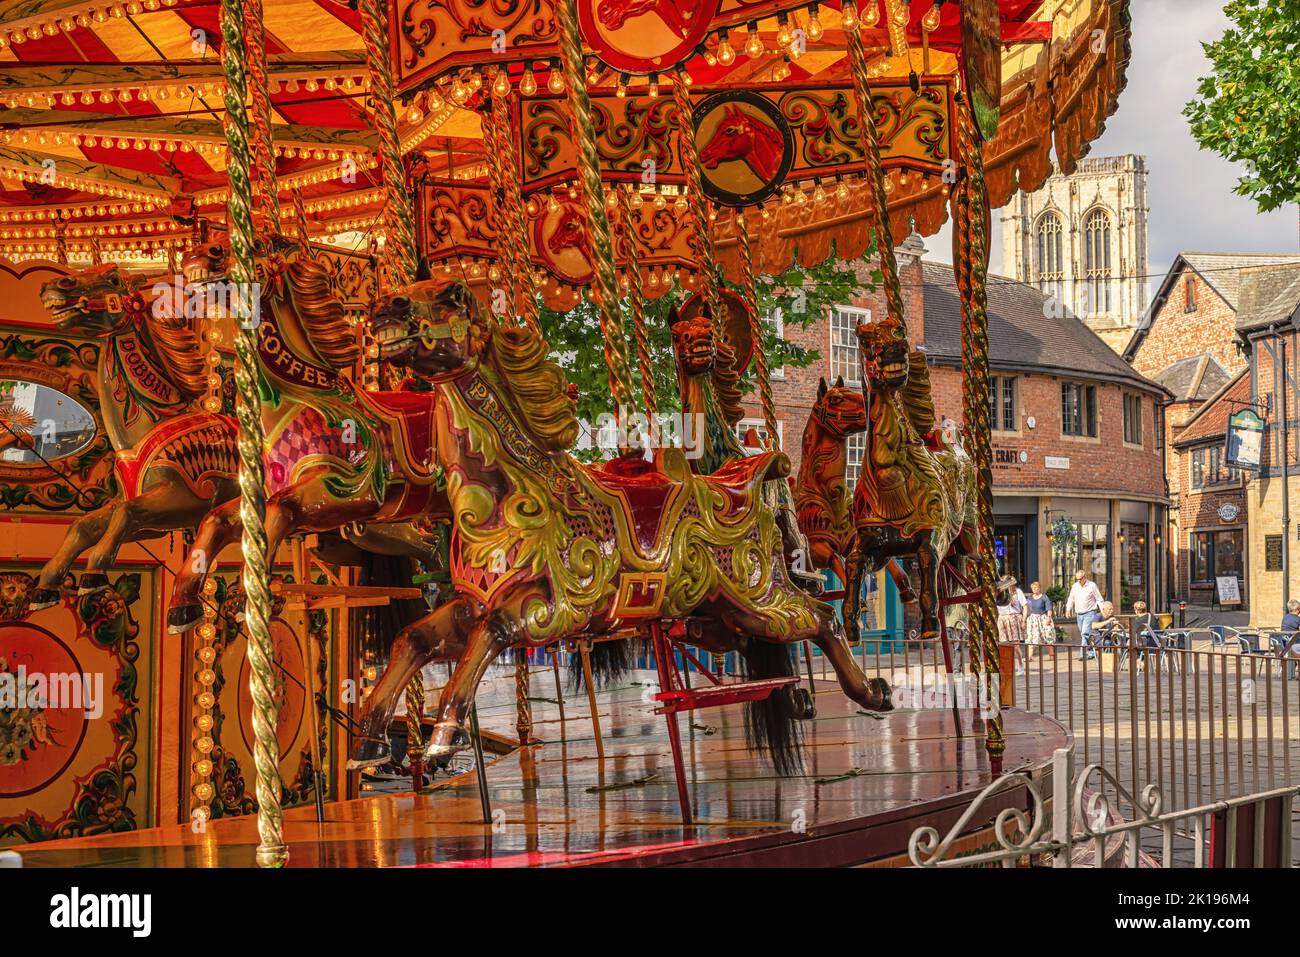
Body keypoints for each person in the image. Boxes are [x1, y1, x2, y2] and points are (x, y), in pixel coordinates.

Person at [1064, 569, 1104, 660]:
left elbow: (1099, 599)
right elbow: (1071, 598)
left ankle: (1083, 654)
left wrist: (1102, 610)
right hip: (1079, 614)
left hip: (1090, 612)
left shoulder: (1092, 585)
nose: (1078, 581)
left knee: (1084, 633)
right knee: (1086, 634)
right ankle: (1091, 652)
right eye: (1077, 579)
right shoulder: (1075, 586)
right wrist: (1068, 609)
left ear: (1085, 577)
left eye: (1080, 579)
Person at [995, 574, 1027, 674]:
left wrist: (1024, 620)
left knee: (1015, 645)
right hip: (1002, 618)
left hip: (1013, 617)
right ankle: (1007, 666)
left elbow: (1025, 606)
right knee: (1004, 644)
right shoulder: (999, 593)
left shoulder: (1017, 592)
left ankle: (1020, 666)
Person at [1024, 581, 1054, 660]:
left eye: (1035, 588)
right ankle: (1029, 657)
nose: (1034, 589)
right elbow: (1027, 609)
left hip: (1042, 618)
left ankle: (1051, 655)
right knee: (1031, 637)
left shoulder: (1044, 597)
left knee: (1046, 637)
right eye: (1033, 588)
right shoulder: (1030, 598)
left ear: (1039, 588)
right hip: (1033, 620)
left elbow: (1049, 608)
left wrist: (1049, 617)